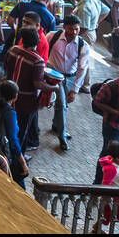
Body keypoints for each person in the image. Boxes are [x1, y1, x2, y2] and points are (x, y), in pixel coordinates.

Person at [4, 26, 55, 152]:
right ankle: (18, 157)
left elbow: (6, 68)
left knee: (8, 124)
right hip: (26, 101)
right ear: (37, 42)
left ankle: (7, 150)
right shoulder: (37, 61)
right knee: (22, 130)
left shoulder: (12, 50)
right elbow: (38, 84)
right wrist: (54, 87)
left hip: (8, 95)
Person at [44, 15, 85, 152]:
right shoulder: (52, 36)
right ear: (64, 27)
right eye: (70, 28)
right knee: (61, 104)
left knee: (64, 104)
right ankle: (62, 137)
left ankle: (56, 125)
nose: (73, 32)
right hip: (54, 76)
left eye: (76, 29)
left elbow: (82, 69)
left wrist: (75, 90)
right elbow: (43, 50)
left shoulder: (82, 45)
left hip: (70, 78)